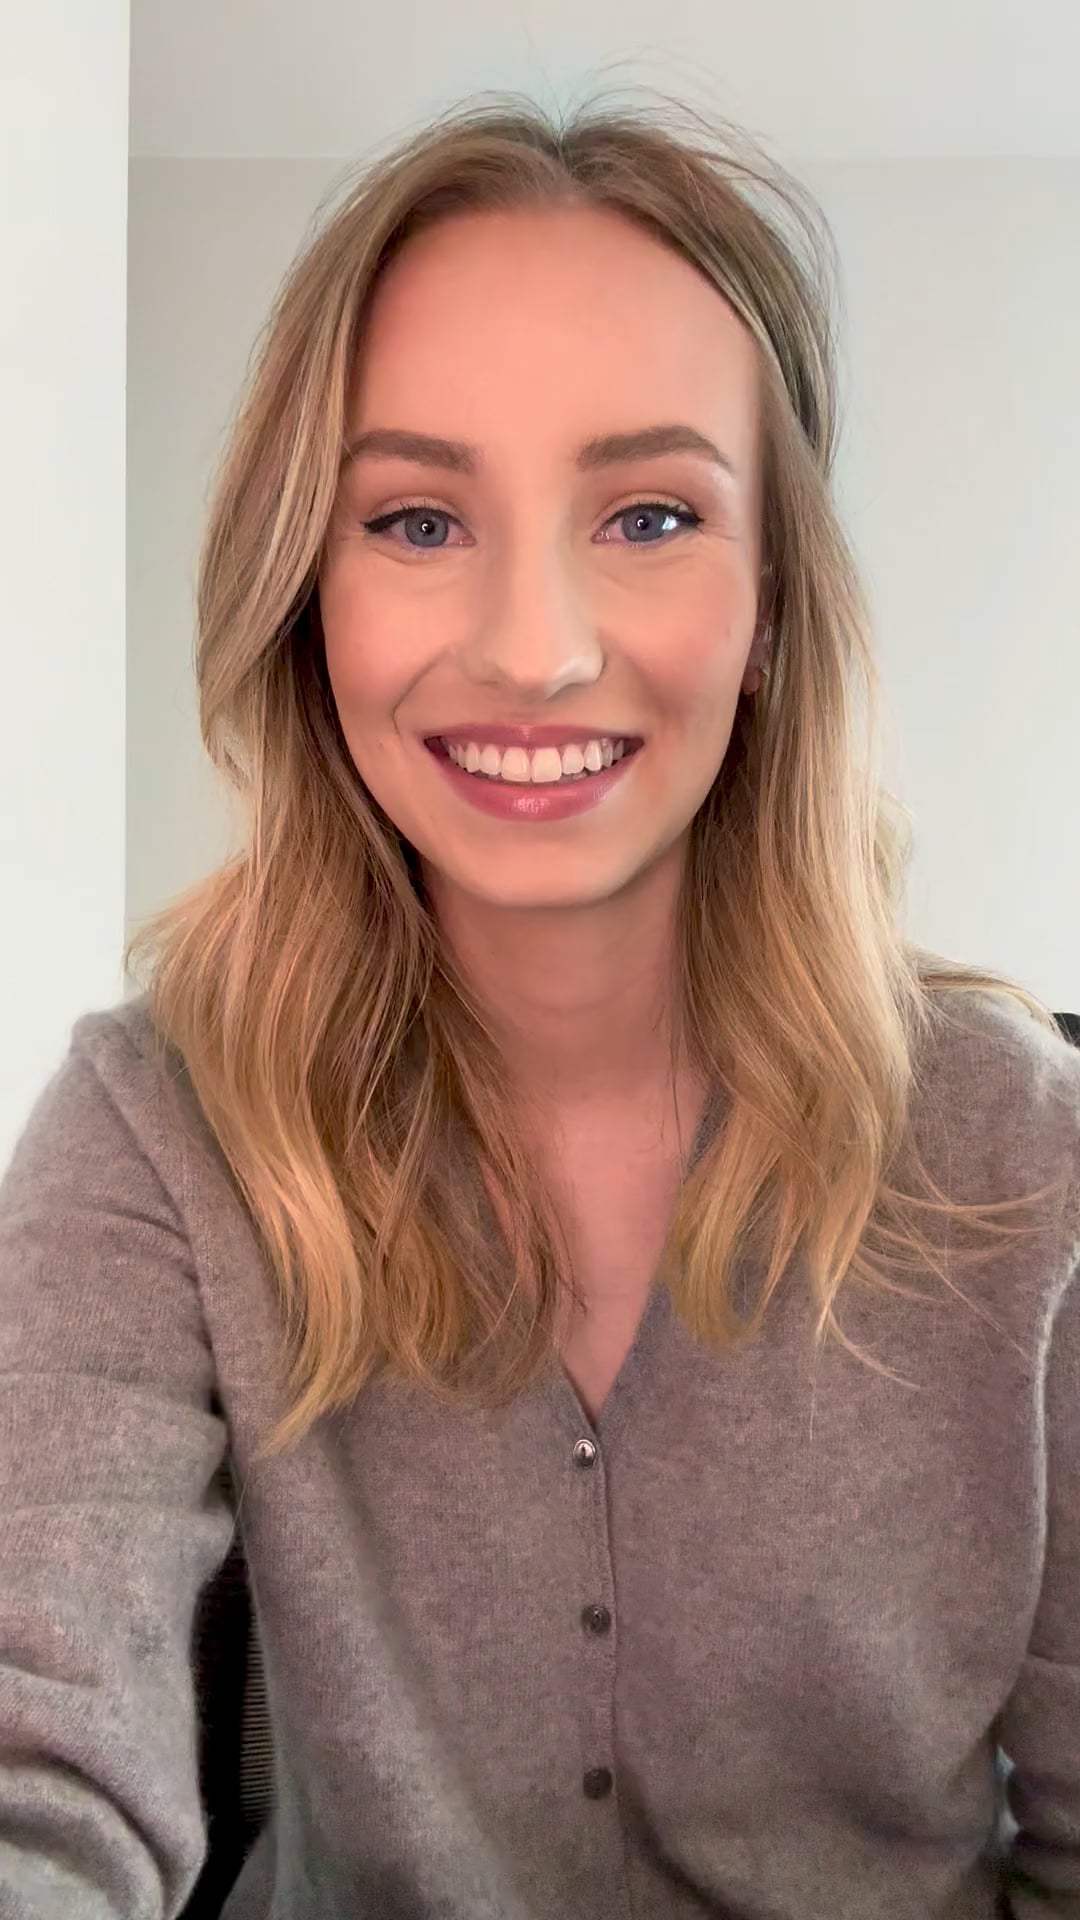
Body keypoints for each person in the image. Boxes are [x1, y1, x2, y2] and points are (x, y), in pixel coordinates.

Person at [0, 90, 1077, 1920]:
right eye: (417, 520)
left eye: (649, 514)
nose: (535, 648)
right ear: (305, 595)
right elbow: (39, 1771)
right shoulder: (158, 1125)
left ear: (771, 605)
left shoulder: (1023, 1145)